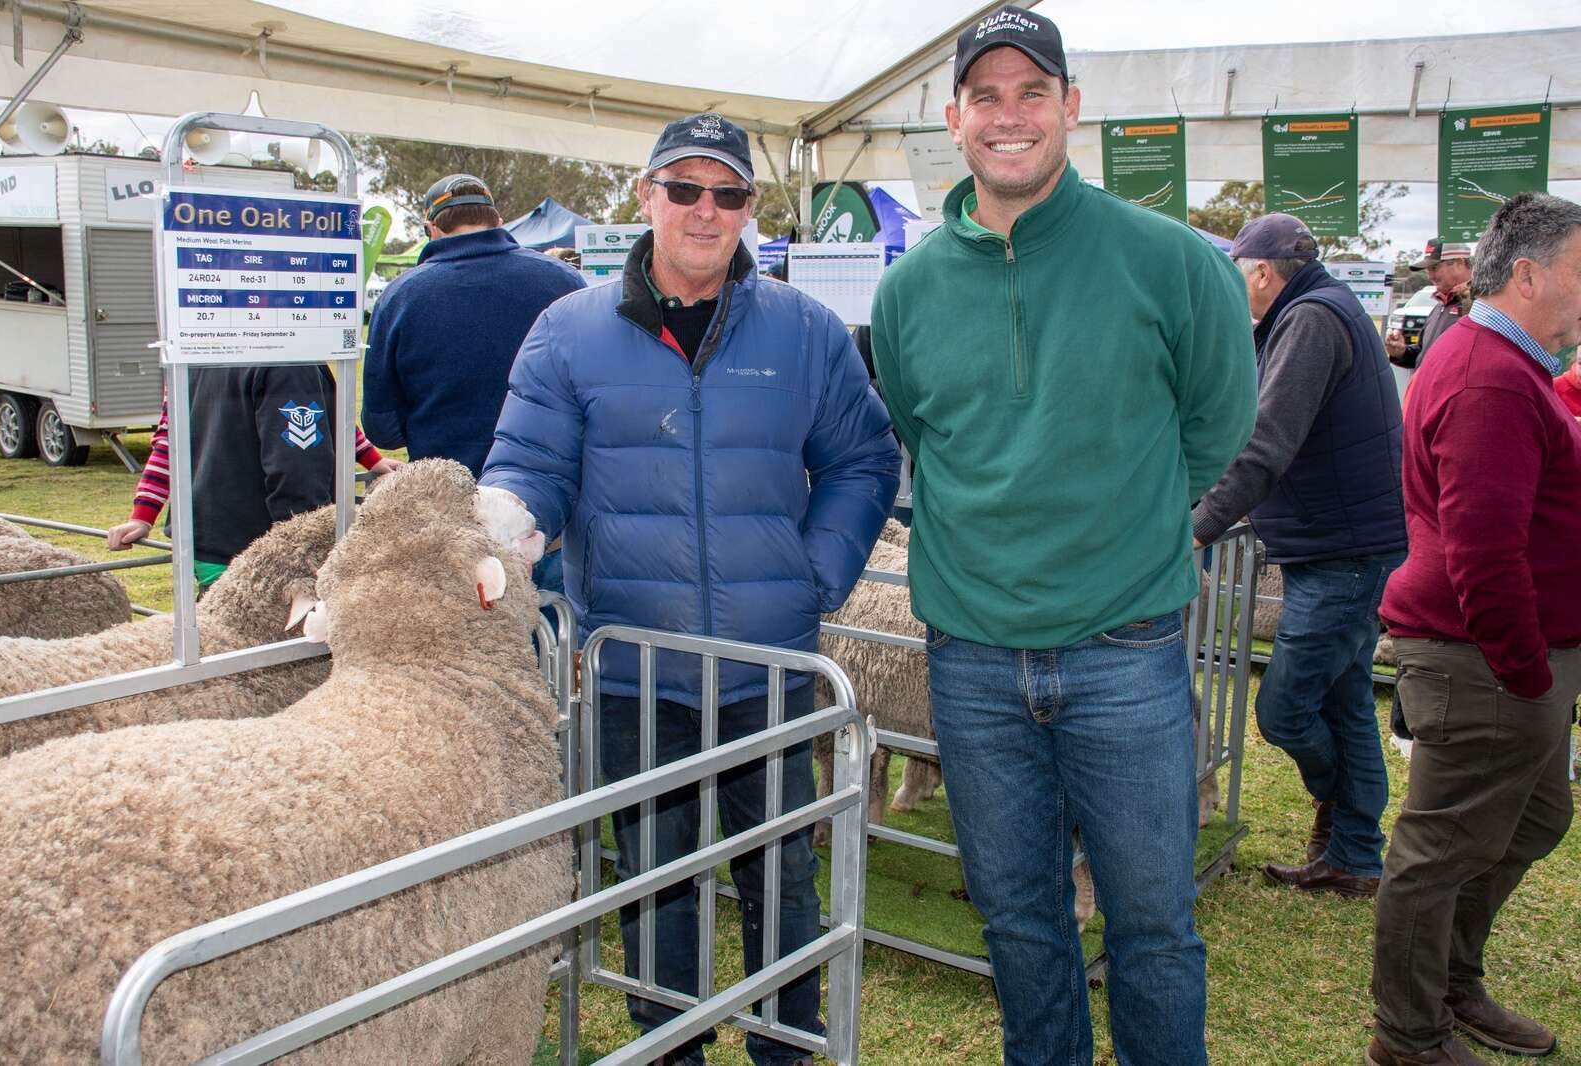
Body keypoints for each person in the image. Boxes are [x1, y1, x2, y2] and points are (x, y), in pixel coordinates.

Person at [869, 8, 1256, 1064]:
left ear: (1070, 107)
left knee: (1152, 925)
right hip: (972, 661)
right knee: (1018, 922)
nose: (1010, 116)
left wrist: (1119, 522)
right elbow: (923, 436)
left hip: (1124, 650)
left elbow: (1217, 425)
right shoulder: (905, 291)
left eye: (1031, 92)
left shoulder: (1172, 262)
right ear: (954, 119)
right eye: (985, 96)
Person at [477, 112, 901, 1066]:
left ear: (749, 208)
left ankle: (786, 1046)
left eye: (728, 193)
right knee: (656, 880)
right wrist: (499, 530)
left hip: (768, 666)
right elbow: (529, 466)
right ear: (647, 196)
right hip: (637, 667)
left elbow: (865, 458)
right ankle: (668, 1048)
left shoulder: (804, 330)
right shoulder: (568, 332)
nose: (705, 210)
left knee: (782, 873)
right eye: (684, 188)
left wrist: (817, 574)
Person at [1367, 192, 1581, 1066]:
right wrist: (1527, 673)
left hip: (1504, 656)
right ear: (1528, 275)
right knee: (1444, 847)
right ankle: (1409, 1034)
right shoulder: (1491, 374)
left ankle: (1450, 985)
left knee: (1529, 821)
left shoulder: (1505, 363)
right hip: (1484, 658)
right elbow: (1484, 552)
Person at [1192, 213, 1407, 897]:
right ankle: (1355, 853)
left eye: (1235, 272)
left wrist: (1197, 527)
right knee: (1346, 703)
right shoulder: (1316, 312)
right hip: (1345, 544)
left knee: (1283, 710)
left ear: (1260, 271)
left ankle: (1342, 810)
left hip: (1342, 551)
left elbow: (1266, 440)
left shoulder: (1311, 320)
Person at [361, 173, 585, 479]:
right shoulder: (564, 280)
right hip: (549, 486)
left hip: (445, 489)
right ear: (498, 222)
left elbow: (382, 429)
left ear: (432, 229)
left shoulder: (399, 296)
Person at [108, 366, 396, 592]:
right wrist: (309, 550)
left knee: (217, 637)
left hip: (203, 538)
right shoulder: (288, 358)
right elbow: (297, 470)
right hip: (260, 548)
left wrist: (143, 515)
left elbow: (168, 439)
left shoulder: (193, 346)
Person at [1385, 238, 1473, 371]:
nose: (1430, 276)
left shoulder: (1480, 305)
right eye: (1428, 270)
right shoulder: (1440, 306)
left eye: (1434, 268)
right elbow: (1423, 354)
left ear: (1459, 263)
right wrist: (1401, 352)